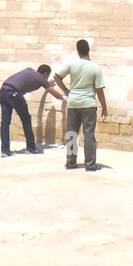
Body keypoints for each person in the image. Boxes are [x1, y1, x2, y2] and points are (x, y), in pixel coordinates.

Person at [54, 39, 107, 172]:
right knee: (88, 134)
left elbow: (56, 76)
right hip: (88, 104)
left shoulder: (72, 64)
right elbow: (100, 90)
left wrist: (66, 91)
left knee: (71, 133)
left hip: (73, 103)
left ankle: (70, 163)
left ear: (78, 51)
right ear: (88, 50)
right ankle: (90, 164)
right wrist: (104, 107)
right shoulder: (95, 67)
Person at [0, 64, 66, 157]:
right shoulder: (41, 78)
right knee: (26, 119)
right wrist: (64, 98)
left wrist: (46, 83)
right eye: (48, 75)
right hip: (13, 94)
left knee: (5, 122)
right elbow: (55, 94)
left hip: (3, 92)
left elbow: (35, 82)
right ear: (45, 73)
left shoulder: (30, 71)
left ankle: (4, 151)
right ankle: (31, 148)